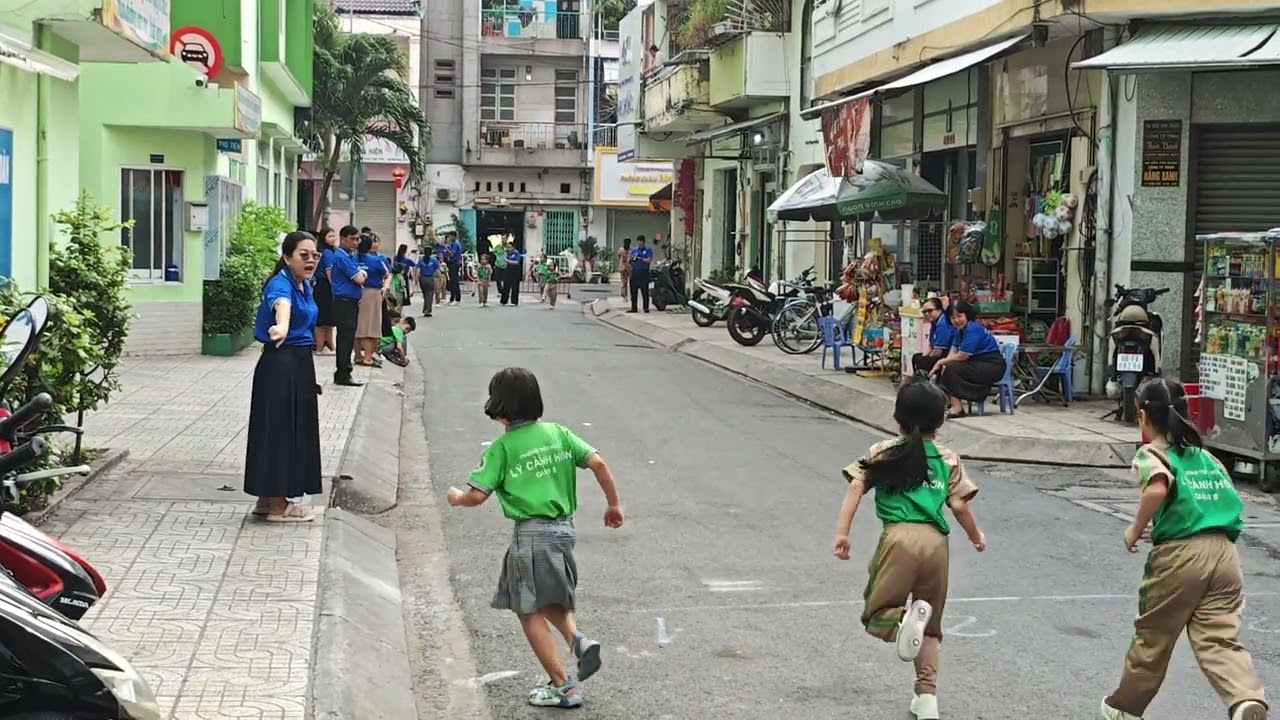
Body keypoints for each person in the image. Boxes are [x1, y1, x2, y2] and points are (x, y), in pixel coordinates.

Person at [446, 367, 624, 709]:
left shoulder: (502, 447)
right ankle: (579, 643)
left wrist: (455, 496)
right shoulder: (559, 433)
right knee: (550, 599)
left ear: (499, 406)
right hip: (563, 531)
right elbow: (598, 464)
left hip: (530, 536)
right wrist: (613, 505)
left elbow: (476, 496)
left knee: (527, 610)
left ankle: (563, 686)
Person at [1100, 378, 1267, 720]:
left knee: (1154, 634)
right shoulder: (1206, 458)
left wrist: (1134, 530)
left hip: (1180, 558)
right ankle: (1246, 699)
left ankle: (1125, 709)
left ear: (1143, 417)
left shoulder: (1151, 453)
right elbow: (1227, 501)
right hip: (1225, 555)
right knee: (1219, 637)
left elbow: (1157, 489)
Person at [832, 379, 985, 720]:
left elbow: (856, 486)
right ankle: (927, 700)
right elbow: (960, 506)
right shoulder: (948, 458)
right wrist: (976, 537)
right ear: (941, 420)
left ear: (896, 417)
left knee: (876, 614)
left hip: (899, 539)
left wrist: (842, 533)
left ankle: (901, 623)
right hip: (936, 545)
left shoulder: (882, 452)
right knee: (930, 625)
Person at [244, 231, 324, 523]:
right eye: (304, 255)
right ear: (287, 256)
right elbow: (282, 307)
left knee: (285, 429)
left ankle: (268, 499)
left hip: (298, 364)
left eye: (314, 255)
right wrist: (281, 326)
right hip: (282, 365)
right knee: (280, 430)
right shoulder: (281, 284)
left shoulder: (304, 285)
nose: (311, 260)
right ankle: (278, 506)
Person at [929, 300, 1005, 419]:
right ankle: (948, 403)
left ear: (967, 315)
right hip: (976, 363)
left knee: (951, 368)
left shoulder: (973, 329)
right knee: (946, 367)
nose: (957, 320)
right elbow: (953, 351)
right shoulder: (959, 331)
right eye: (953, 318)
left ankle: (957, 408)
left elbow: (962, 356)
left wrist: (941, 362)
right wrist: (943, 365)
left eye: (960, 316)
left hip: (991, 365)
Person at [330, 226, 367, 387]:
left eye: (357, 239)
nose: (356, 242)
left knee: (347, 337)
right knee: (345, 338)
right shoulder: (341, 256)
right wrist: (362, 274)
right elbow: (359, 278)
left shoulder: (348, 255)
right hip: (344, 302)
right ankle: (343, 373)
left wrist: (361, 274)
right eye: (352, 239)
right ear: (343, 238)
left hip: (349, 302)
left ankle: (343, 371)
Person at [355, 234, 388, 367]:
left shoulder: (351, 259)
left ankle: (357, 356)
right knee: (371, 328)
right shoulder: (376, 261)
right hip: (372, 293)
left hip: (354, 293)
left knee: (357, 328)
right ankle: (368, 358)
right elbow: (386, 274)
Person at [912, 298, 956, 376]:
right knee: (916, 357)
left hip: (948, 354)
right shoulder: (934, 323)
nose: (927, 314)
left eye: (930, 311)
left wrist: (925, 360)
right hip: (939, 352)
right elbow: (931, 345)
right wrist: (923, 357)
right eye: (924, 312)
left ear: (939, 309)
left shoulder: (943, 324)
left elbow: (938, 351)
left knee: (923, 361)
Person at [312, 226, 338, 356]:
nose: (333, 239)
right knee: (323, 318)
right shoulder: (326, 253)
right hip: (325, 287)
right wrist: (335, 287)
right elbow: (329, 272)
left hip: (322, 286)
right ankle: (320, 347)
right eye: (330, 236)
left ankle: (329, 345)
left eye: (334, 236)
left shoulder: (326, 251)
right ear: (323, 238)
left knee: (328, 319)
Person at [627, 235, 653, 314]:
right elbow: (629, 260)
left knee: (644, 290)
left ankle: (646, 307)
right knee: (633, 291)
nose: (640, 245)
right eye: (639, 244)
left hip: (644, 272)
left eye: (641, 244)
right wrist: (631, 259)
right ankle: (634, 307)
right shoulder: (634, 250)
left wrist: (640, 258)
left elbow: (648, 260)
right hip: (635, 272)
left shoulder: (648, 249)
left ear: (644, 243)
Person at [417, 250, 440, 317]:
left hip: (422, 278)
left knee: (425, 294)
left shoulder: (421, 260)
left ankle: (425, 309)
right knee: (430, 294)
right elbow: (437, 270)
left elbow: (418, 270)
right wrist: (439, 278)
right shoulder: (434, 260)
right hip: (430, 278)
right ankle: (428, 310)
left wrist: (415, 279)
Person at [501, 241, 524, 306]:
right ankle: (504, 300)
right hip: (508, 269)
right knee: (506, 285)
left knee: (515, 286)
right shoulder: (506, 253)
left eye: (509, 247)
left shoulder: (516, 253)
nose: (508, 248)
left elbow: (517, 262)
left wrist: (507, 260)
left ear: (513, 247)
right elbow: (504, 259)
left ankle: (514, 301)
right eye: (507, 247)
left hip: (515, 270)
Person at [445, 231, 464, 305]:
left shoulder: (456, 244)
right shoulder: (453, 244)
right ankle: (452, 297)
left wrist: (446, 248)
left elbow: (452, 253)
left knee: (454, 281)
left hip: (455, 263)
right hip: (452, 263)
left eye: (450, 237)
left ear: (453, 236)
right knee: (452, 281)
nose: (449, 238)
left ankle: (457, 298)